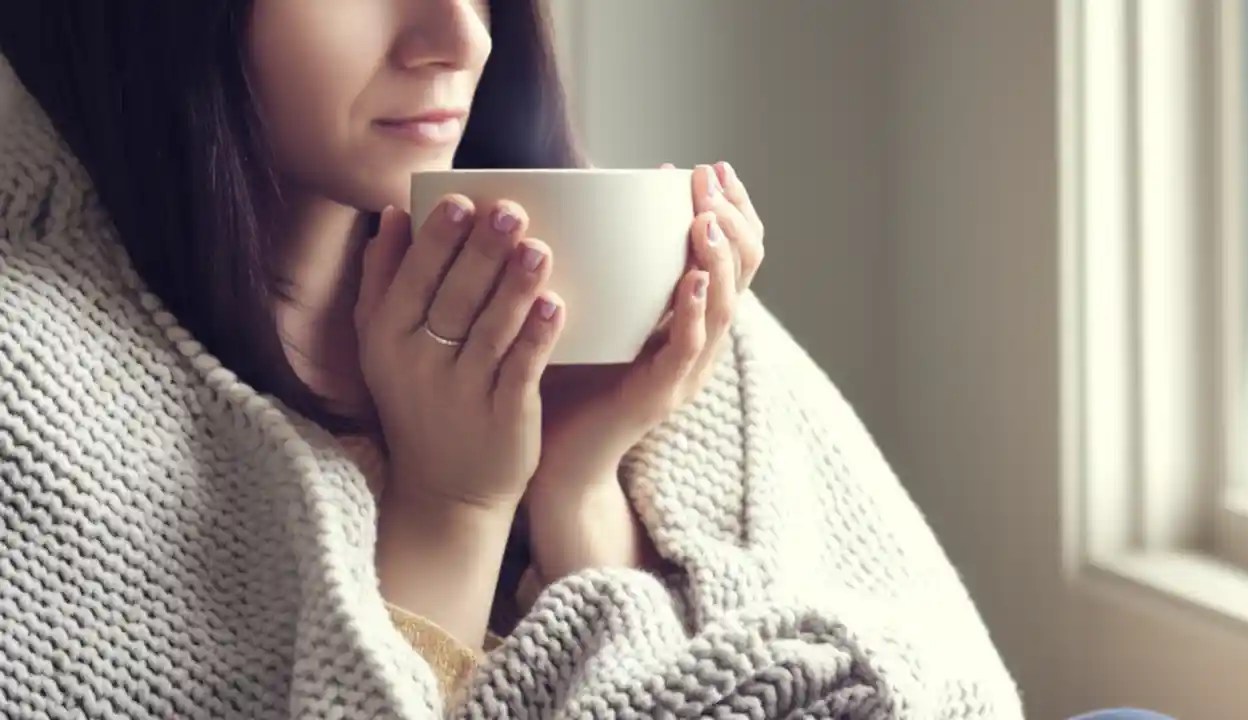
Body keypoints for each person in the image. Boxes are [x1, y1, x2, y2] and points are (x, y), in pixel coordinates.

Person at [0, 2, 1025, 718]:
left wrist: (576, 487)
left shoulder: (623, 286)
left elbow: (950, 694)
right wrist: (451, 507)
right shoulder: (38, 388)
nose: (459, 33)